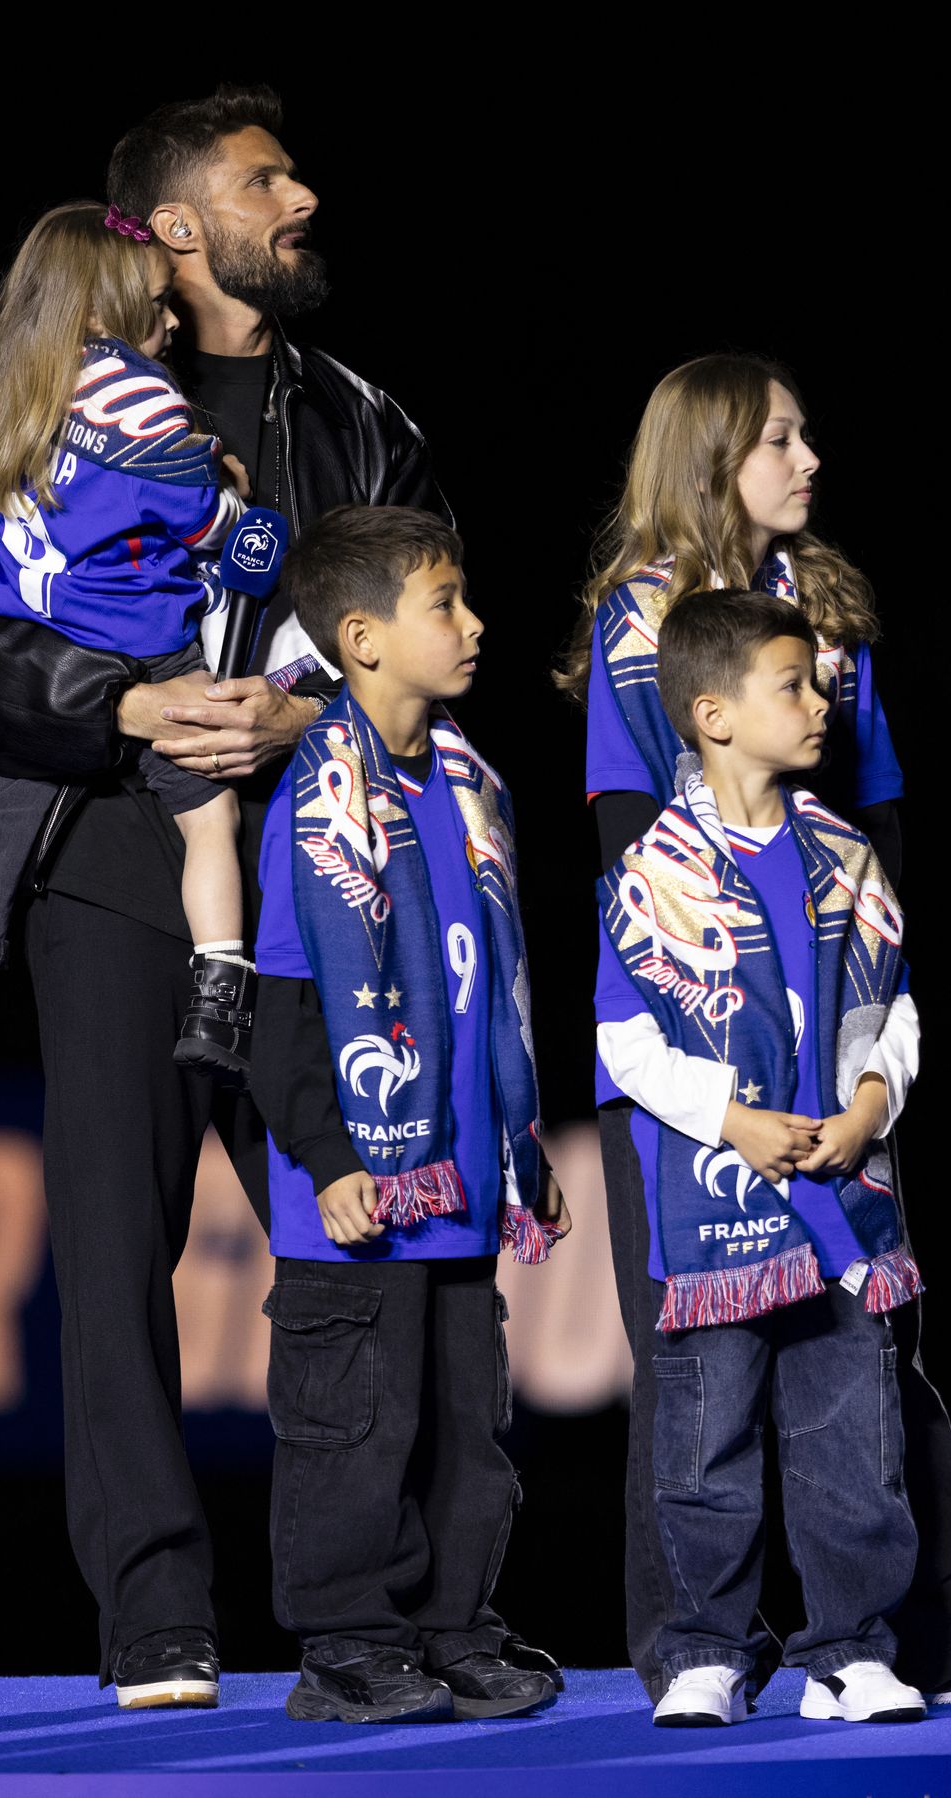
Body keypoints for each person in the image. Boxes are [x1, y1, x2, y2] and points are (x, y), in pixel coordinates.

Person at [0, 83, 554, 1709]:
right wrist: (113, 704)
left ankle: (391, 1618)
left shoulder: (367, 419)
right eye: (271, 179)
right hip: (111, 874)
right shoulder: (68, 384)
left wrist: (311, 700)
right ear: (180, 228)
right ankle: (155, 1617)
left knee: (377, 1248)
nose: (306, 195)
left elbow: (425, 629)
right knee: (116, 1255)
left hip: (329, 900)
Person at [559, 352, 951, 1706]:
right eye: (779, 438)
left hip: (838, 1026)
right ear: (711, 460)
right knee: (694, 1355)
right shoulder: (646, 623)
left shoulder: (822, 614)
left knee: (871, 1334)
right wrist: (712, 1070)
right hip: (701, 1038)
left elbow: (871, 828)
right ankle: (692, 1645)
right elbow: (627, 844)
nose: (809, 458)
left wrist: (871, 1039)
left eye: (806, 433)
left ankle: (915, 1626)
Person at [248, 506, 569, 1724]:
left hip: (465, 1185)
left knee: (462, 1430)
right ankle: (345, 1642)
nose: (474, 622)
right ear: (362, 638)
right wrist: (327, 1154)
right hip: (359, 1197)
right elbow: (279, 1016)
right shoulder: (315, 800)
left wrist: (518, 1145)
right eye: (447, 602)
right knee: (352, 1430)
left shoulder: (475, 785)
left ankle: (452, 1627)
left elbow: (494, 985)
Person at [598, 588, 928, 1724]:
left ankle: (853, 1648)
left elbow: (896, 1011)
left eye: (818, 679)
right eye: (791, 684)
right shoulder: (655, 869)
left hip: (844, 1201)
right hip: (717, 1209)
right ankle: (705, 1651)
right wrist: (731, 1120)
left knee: (853, 1433)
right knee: (704, 1435)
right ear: (714, 713)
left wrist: (875, 1098)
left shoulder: (844, 853)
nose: (819, 699)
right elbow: (622, 1042)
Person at [0, 201, 285, 1101]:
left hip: (49, 643)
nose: (171, 322)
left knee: (1, 813)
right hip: (146, 643)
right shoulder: (135, 393)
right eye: (154, 301)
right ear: (98, 311)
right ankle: (222, 994)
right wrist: (236, 507)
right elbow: (198, 519)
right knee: (208, 815)